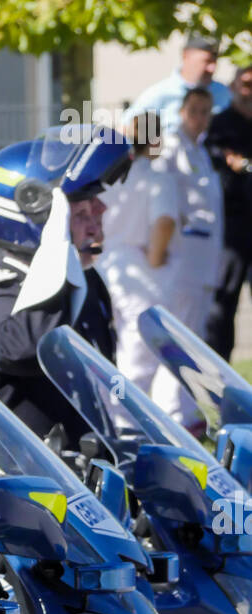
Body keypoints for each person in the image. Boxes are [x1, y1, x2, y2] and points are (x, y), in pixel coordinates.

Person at [0, 126, 129, 446]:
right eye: (81, 208)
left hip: (82, 478)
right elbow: (22, 348)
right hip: (22, 488)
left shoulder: (84, 283)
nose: (100, 211)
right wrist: (54, 249)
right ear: (41, 217)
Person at [151, 87, 223, 422]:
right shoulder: (173, 148)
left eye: (206, 111)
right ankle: (172, 415)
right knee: (176, 341)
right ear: (181, 112)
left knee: (191, 342)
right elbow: (166, 205)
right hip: (183, 264)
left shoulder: (201, 150)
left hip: (203, 263)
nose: (200, 118)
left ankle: (187, 412)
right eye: (194, 111)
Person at [100, 114, 181, 395]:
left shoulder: (110, 177)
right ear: (156, 140)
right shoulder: (159, 179)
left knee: (109, 344)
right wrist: (156, 259)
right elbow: (165, 221)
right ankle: (128, 423)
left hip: (105, 265)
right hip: (138, 271)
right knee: (138, 354)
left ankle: (112, 414)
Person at [206, 65, 252, 359]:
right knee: (223, 302)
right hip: (232, 226)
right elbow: (217, 163)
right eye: (245, 84)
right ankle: (219, 371)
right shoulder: (220, 124)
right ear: (234, 87)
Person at [123, 33, 230, 135]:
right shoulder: (159, 94)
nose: (212, 68)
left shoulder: (224, 93)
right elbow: (126, 129)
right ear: (186, 55)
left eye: (215, 62)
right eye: (206, 61)